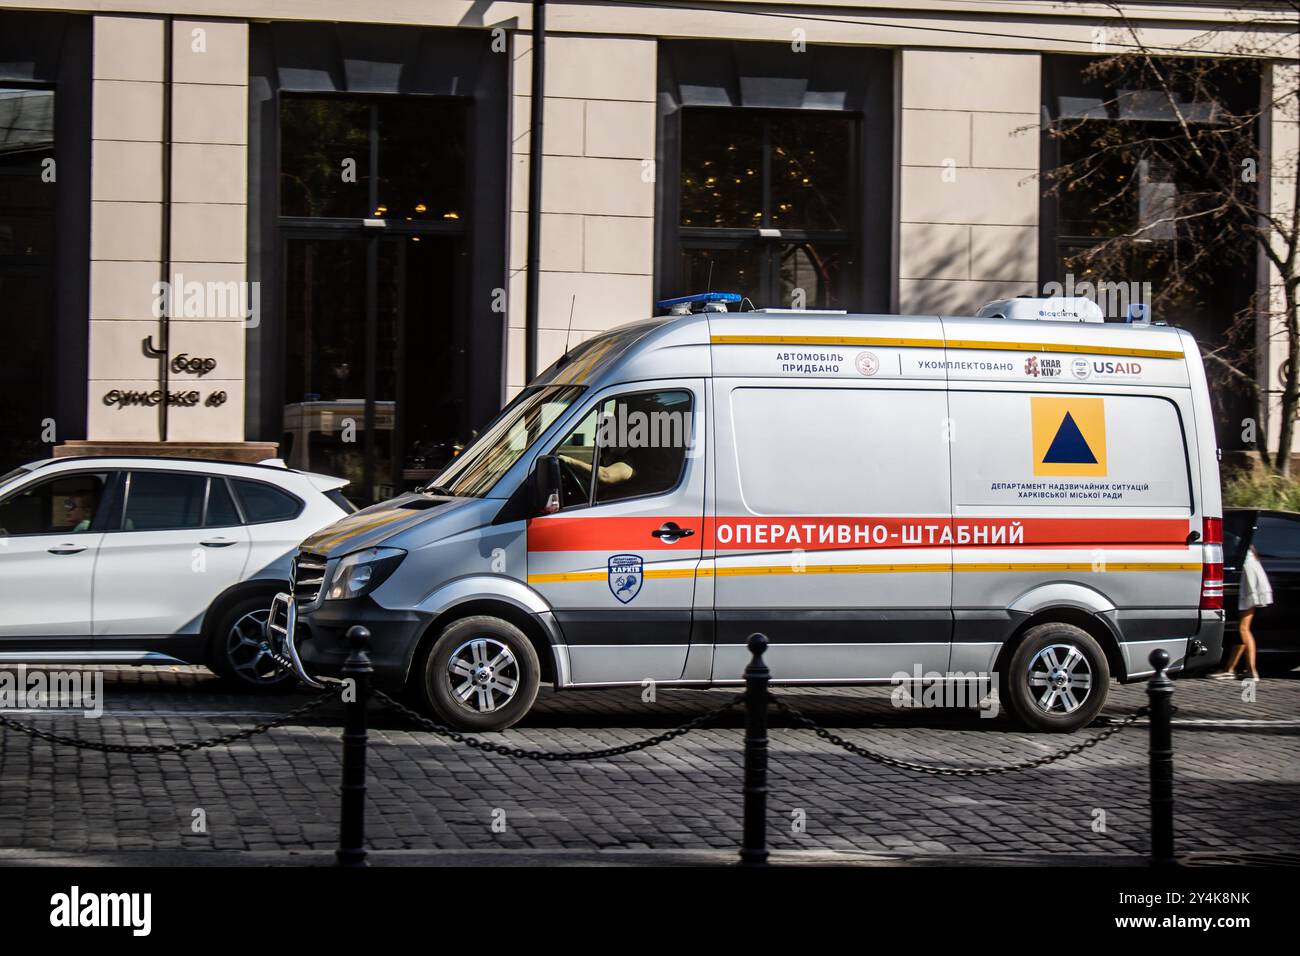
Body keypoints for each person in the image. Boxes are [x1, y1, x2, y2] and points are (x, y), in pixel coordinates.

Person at [1213, 544, 1271, 681]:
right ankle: (1230, 668)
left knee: (1243, 629)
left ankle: (1251, 670)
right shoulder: (1249, 551)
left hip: (1247, 585)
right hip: (1251, 584)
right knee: (1241, 628)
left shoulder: (1241, 550)